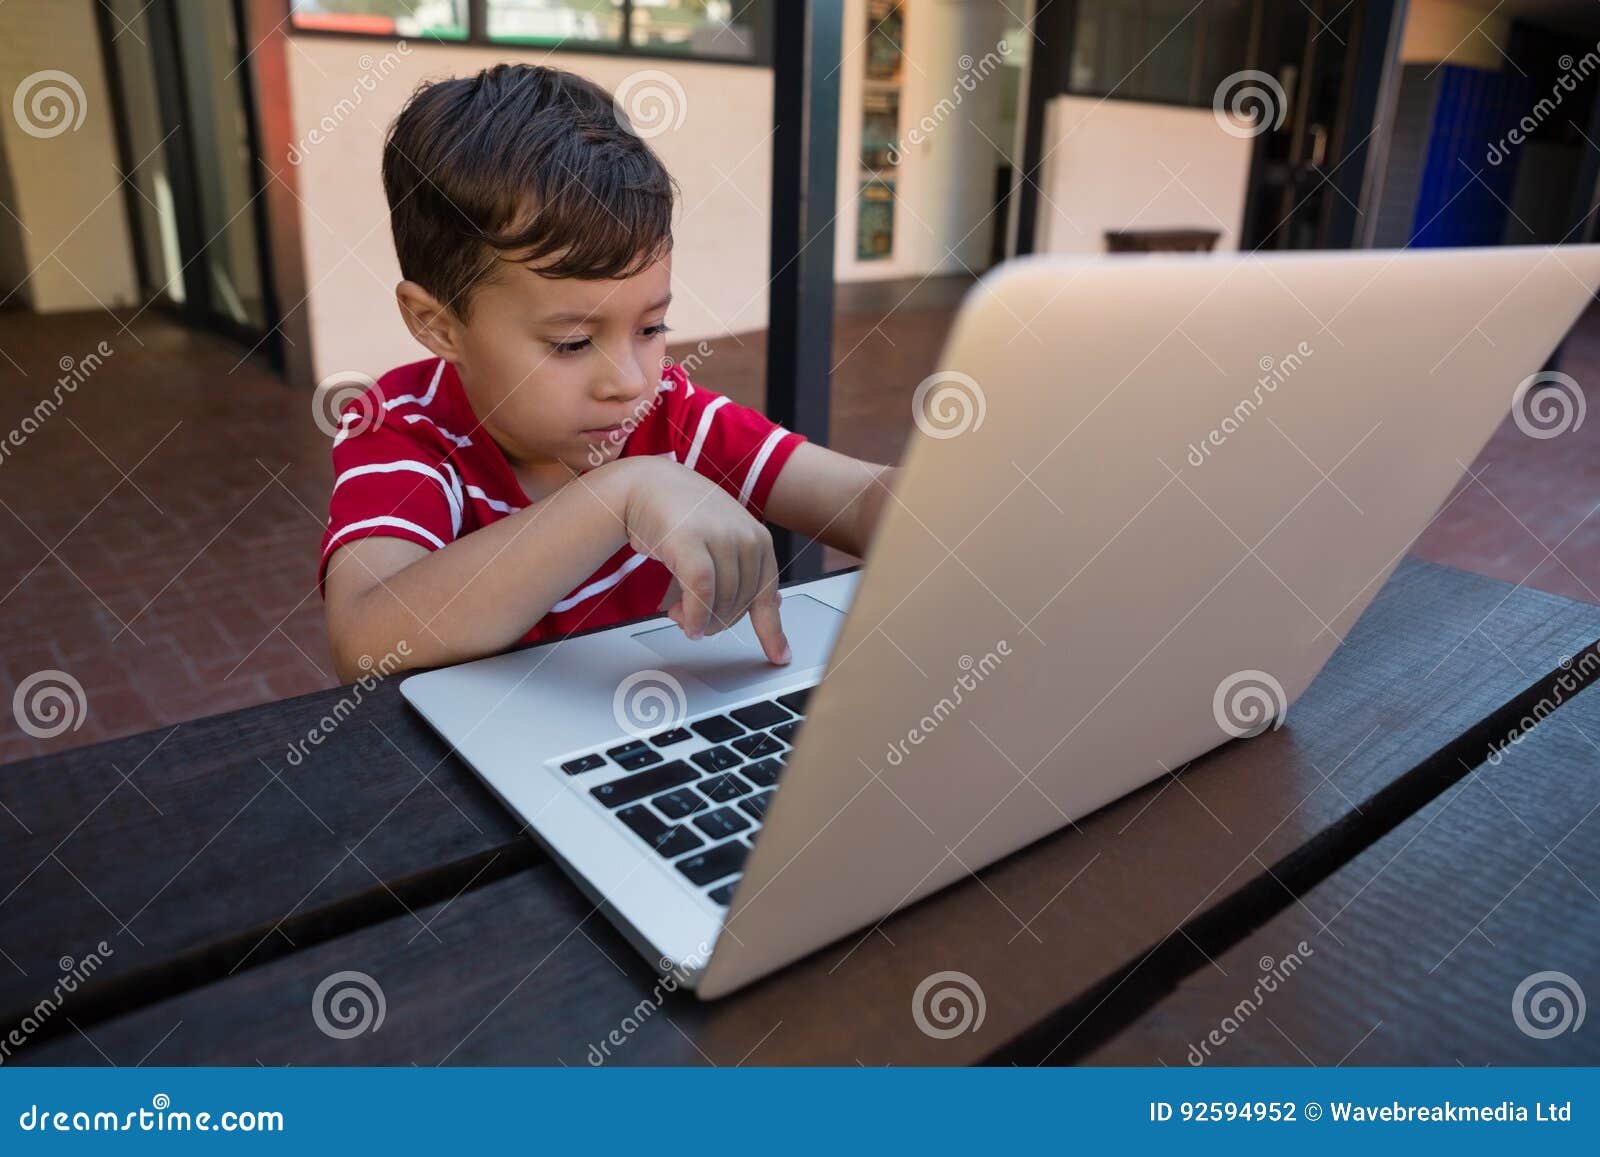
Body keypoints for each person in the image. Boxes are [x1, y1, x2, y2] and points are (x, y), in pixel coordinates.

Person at [320, 64, 895, 682]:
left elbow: (863, 504)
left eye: (650, 329)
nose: (629, 381)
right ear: (437, 324)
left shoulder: (668, 414)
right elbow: (365, 640)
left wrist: (978, 502)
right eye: (571, 343)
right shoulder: (402, 431)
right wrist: (615, 497)